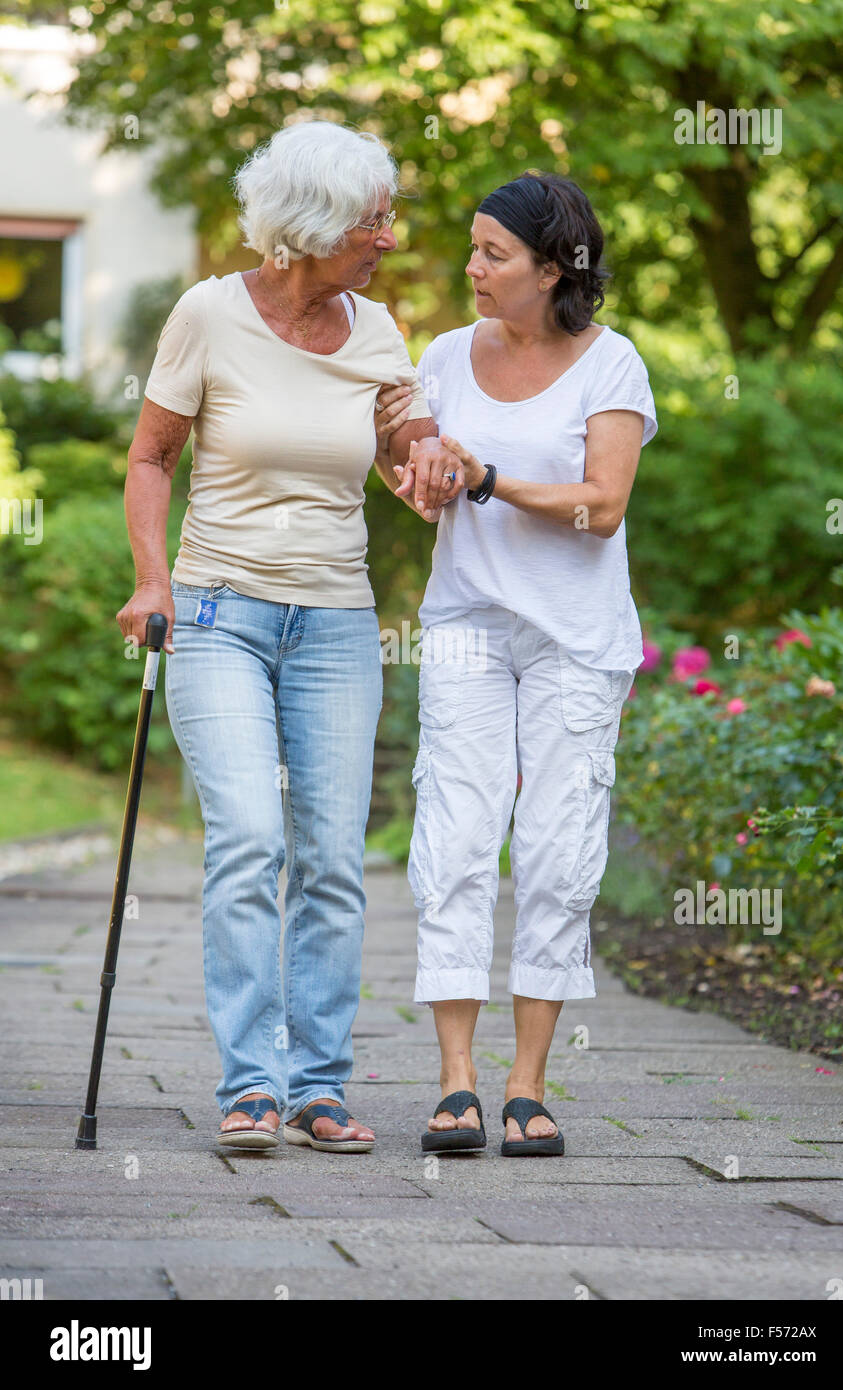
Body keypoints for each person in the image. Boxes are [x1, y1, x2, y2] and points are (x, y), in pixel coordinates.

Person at [115, 121, 462, 1153]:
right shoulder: (209, 315)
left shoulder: (374, 330)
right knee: (249, 841)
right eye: (372, 220)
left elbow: (408, 449)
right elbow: (149, 461)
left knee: (329, 857)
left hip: (336, 624)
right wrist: (151, 579)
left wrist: (431, 458)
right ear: (310, 226)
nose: (388, 238)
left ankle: (317, 1086)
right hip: (217, 611)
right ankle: (249, 1083)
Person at [374, 173, 657, 1155]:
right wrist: (419, 473)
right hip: (465, 622)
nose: (470, 268)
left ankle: (525, 1085)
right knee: (452, 836)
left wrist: (488, 477)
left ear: (551, 268)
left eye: (491, 253)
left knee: (555, 847)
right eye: (472, 248)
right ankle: (452, 1081)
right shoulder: (445, 354)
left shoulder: (609, 365)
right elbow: (410, 468)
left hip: (574, 637)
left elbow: (602, 504)